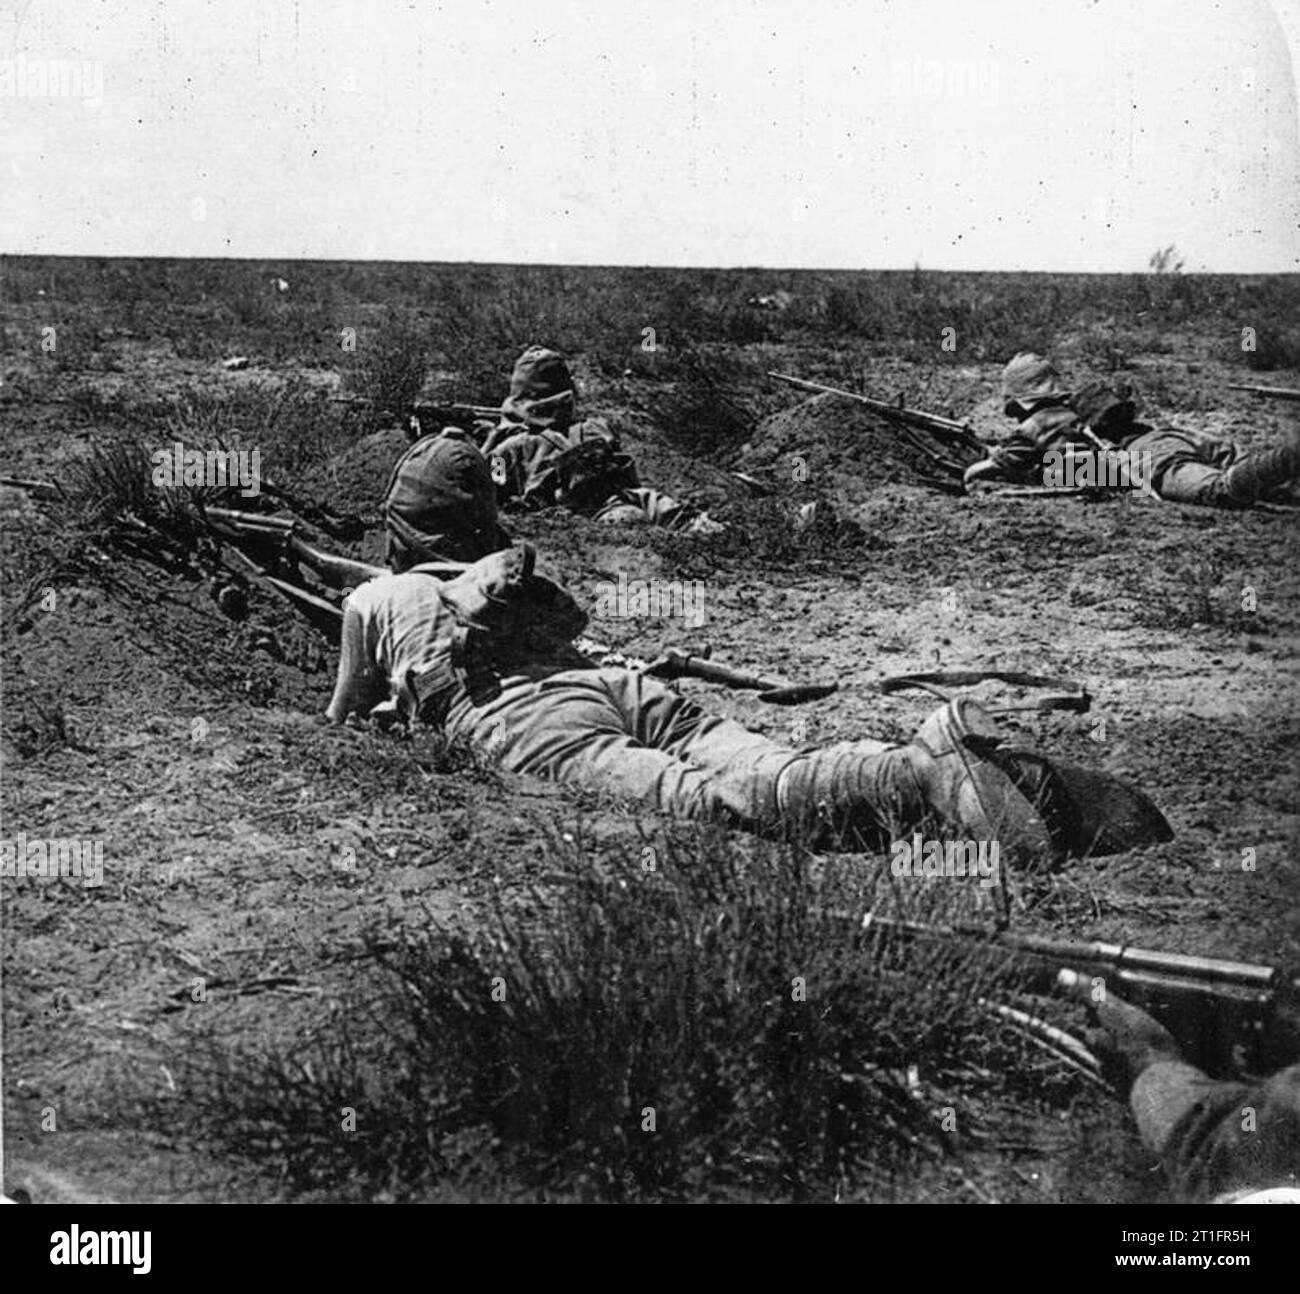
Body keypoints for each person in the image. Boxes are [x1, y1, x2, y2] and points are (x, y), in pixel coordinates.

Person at [331, 436, 1170, 862]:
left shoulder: (376, 597)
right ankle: (921, 761)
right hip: (623, 689)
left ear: (400, 527)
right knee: (774, 773)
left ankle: (920, 772)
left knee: (717, 809)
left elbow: (336, 726)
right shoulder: (506, 578)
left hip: (540, 730)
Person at [1061, 969, 1300, 1203]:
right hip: (1252, 1117)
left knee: (1149, 1056)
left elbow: (1222, 1138)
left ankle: (1094, 993)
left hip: (1227, 1136)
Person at [965, 352, 1299, 508]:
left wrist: (974, 467)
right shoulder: (1079, 406)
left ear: (1019, 398)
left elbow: (988, 470)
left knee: (1221, 490)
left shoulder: (1036, 425)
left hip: (1145, 457)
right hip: (1171, 435)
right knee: (1275, 484)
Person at [477, 345, 722, 532]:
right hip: (631, 504)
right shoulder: (598, 428)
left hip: (574, 524)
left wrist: (490, 442)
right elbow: (629, 479)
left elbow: (492, 491)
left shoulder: (511, 449)